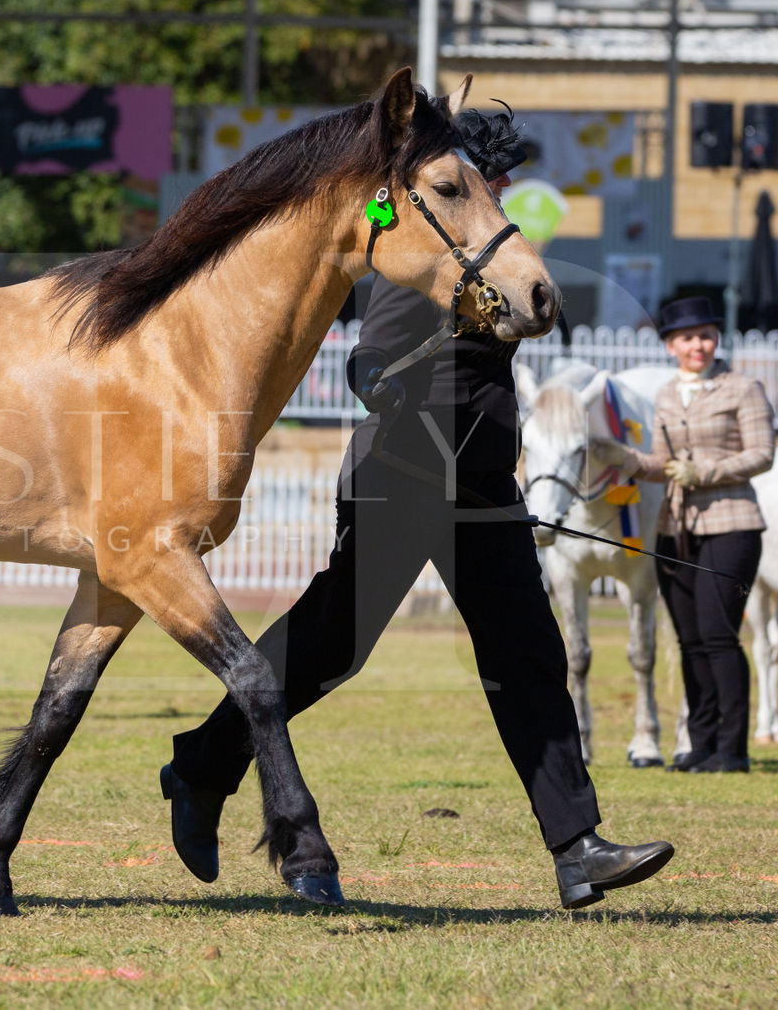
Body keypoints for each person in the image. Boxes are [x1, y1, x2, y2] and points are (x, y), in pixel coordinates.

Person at [158, 98, 675, 910]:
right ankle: (201, 766)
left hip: (477, 488)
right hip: (401, 477)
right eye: (485, 180)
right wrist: (390, 388)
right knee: (333, 645)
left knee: (526, 655)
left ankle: (577, 849)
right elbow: (373, 356)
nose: (492, 197)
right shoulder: (428, 246)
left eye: (498, 182)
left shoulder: (492, 252)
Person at [591, 295, 774, 773]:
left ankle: (732, 749)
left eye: (706, 335)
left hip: (732, 525)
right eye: (688, 337)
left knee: (719, 636)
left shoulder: (743, 388)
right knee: (689, 640)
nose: (699, 344)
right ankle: (701, 743)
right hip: (675, 529)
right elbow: (662, 465)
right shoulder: (669, 395)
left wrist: (704, 472)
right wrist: (624, 459)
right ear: (671, 345)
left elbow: (762, 454)